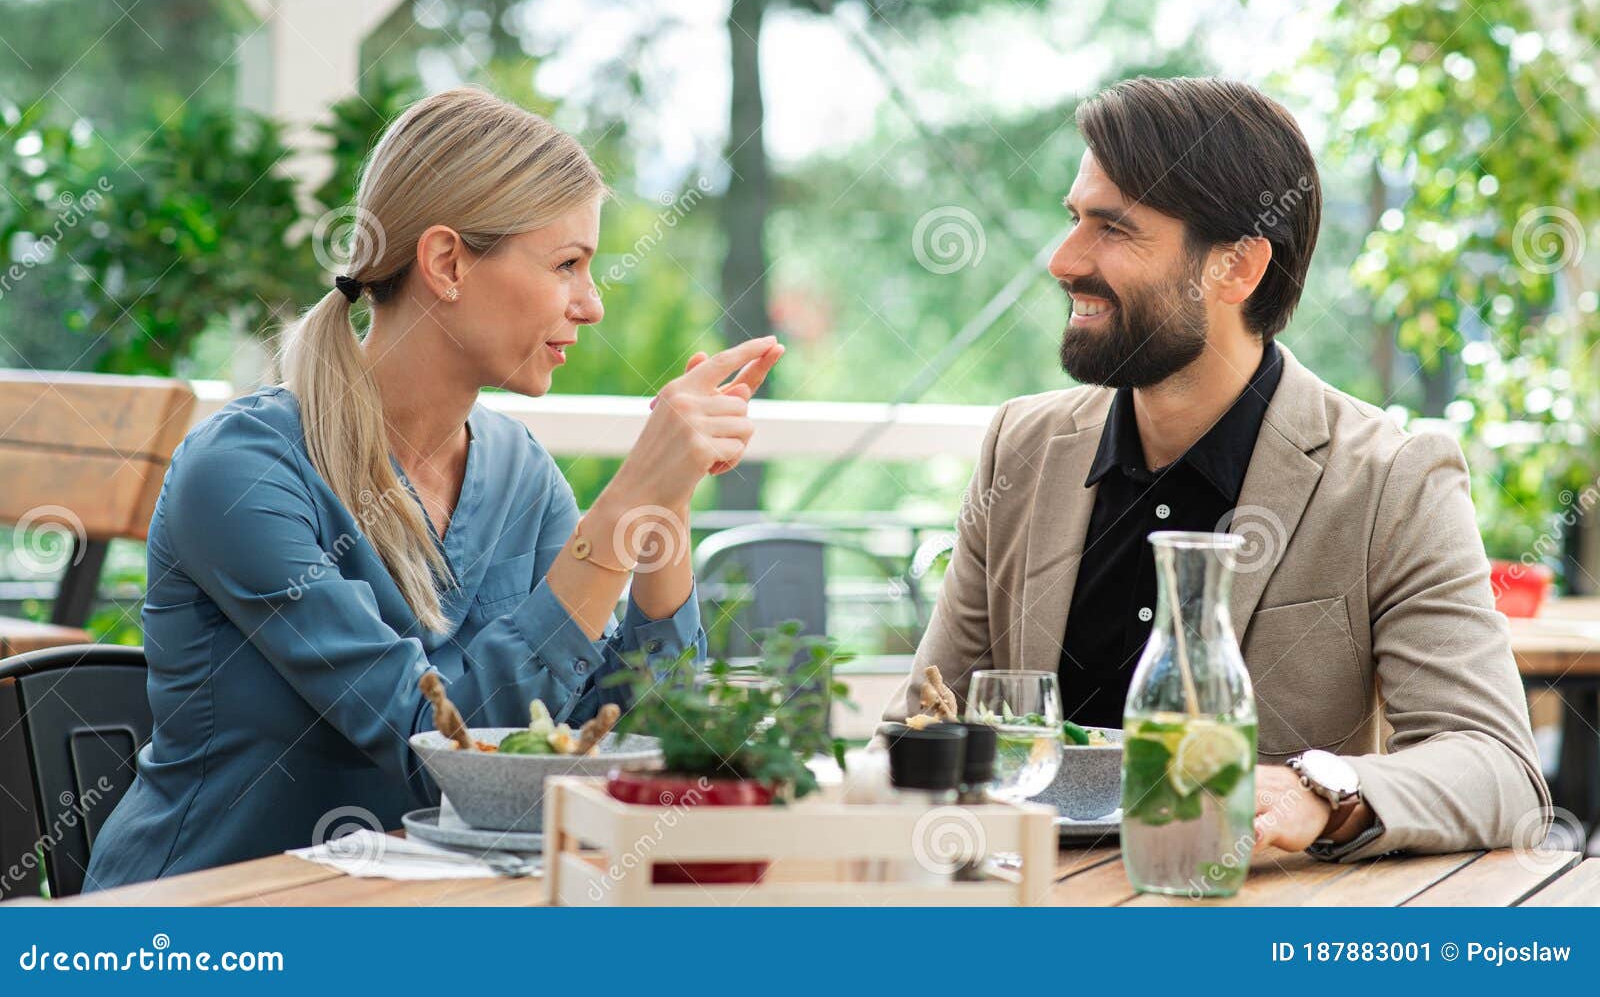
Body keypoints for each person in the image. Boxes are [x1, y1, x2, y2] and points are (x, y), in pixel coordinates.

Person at [86, 87, 783, 888]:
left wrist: (665, 508)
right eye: (567, 265)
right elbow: (444, 753)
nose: (591, 305)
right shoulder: (243, 473)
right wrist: (620, 510)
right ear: (447, 262)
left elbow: (634, 758)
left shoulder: (521, 474)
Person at [891, 76, 1548, 861]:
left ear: (1237, 269)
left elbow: (1500, 769)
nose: (1063, 261)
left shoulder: (1391, 480)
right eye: (1075, 219)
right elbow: (925, 723)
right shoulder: (1022, 448)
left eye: (1114, 229)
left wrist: (1321, 793)